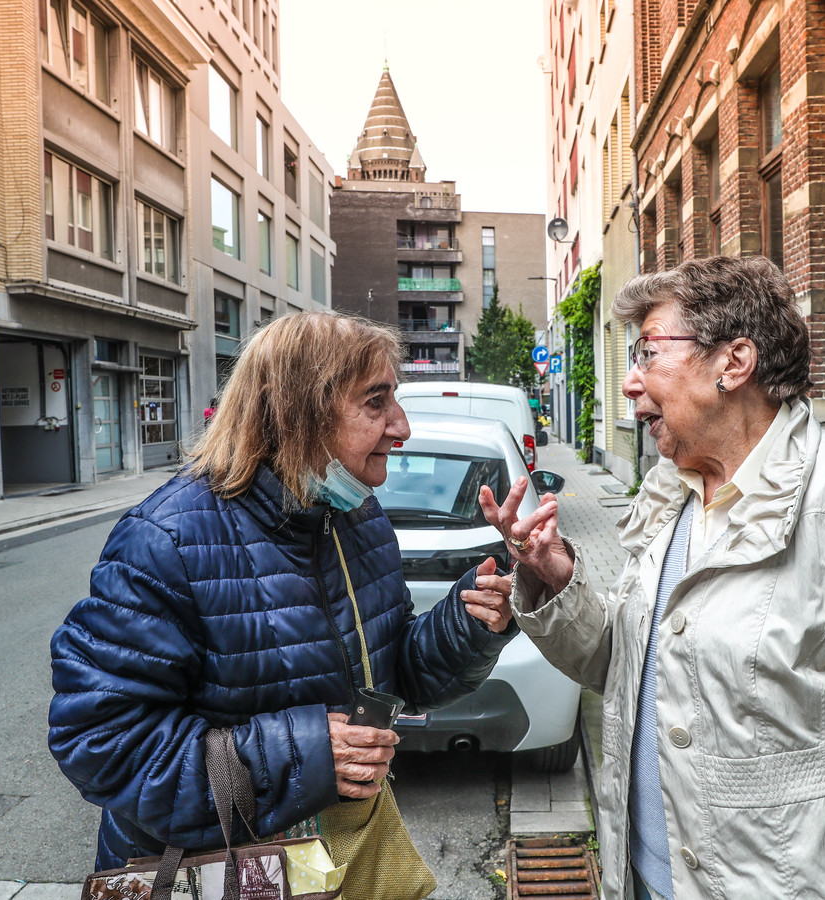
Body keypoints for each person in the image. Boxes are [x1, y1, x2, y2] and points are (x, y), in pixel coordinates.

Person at [481, 256, 825, 899]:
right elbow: (627, 669)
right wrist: (556, 579)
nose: (631, 384)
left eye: (649, 354)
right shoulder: (671, 491)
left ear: (734, 362)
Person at [50, 311, 517, 870]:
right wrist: (308, 755)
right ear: (295, 412)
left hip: (328, 862)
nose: (401, 425)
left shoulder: (356, 517)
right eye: (375, 402)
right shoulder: (165, 539)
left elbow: (396, 675)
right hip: (216, 872)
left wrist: (472, 616)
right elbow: (101, 743)